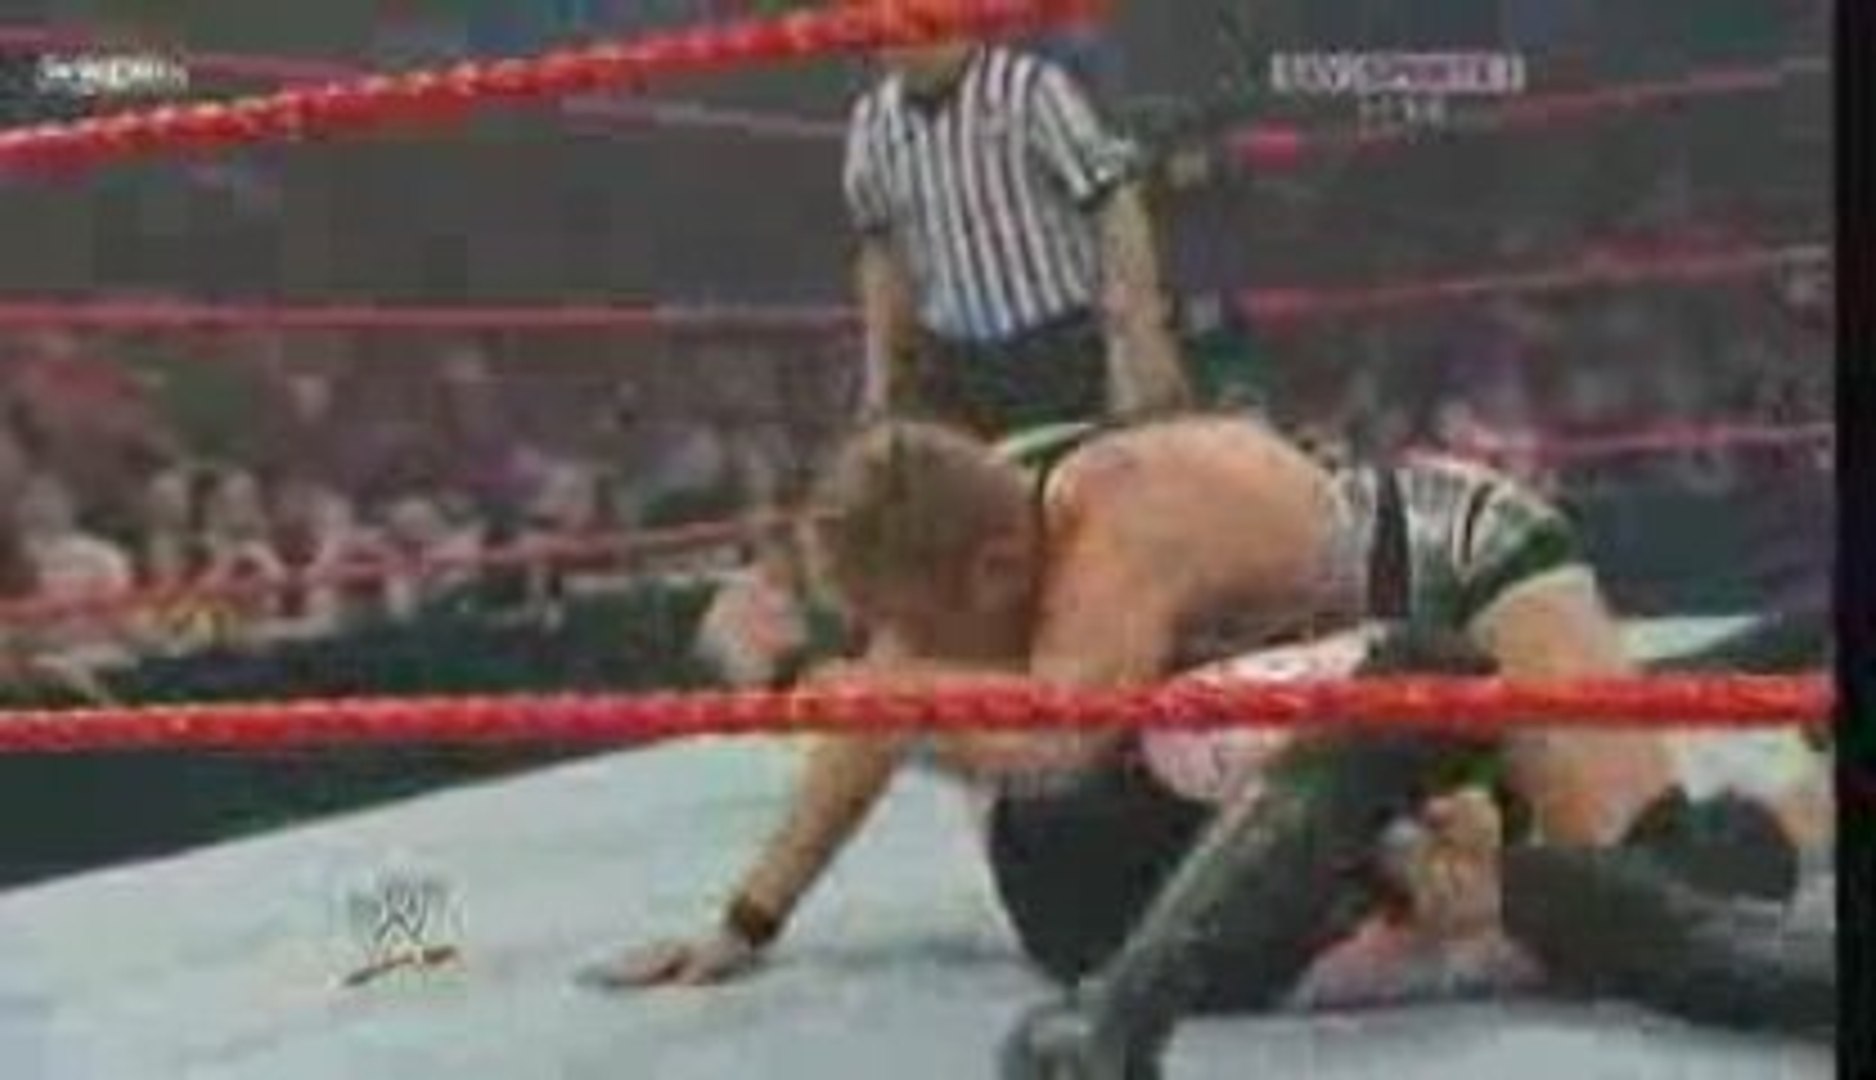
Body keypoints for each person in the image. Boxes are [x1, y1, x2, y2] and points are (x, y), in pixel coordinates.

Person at [597, 417, 1825, 1030]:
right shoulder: (972, 537)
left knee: (1662, 880)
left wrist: (818, 681)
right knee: (1495, 856)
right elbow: (889, 701)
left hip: (1456, 568)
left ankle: (1820, 790)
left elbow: (1056, 746)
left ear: (991, 572)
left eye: (916, 629)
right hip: (1348, 680)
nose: (905, 653)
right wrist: (748, 919)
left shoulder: (1119, 543)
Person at [845, 34, 1190, 435]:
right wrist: (879, 378)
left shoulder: (1030, 89)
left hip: (1056, 342)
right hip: (951, 358)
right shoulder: (872, 121)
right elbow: (880, 250)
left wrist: (1142, 329)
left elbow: (1113, 203)